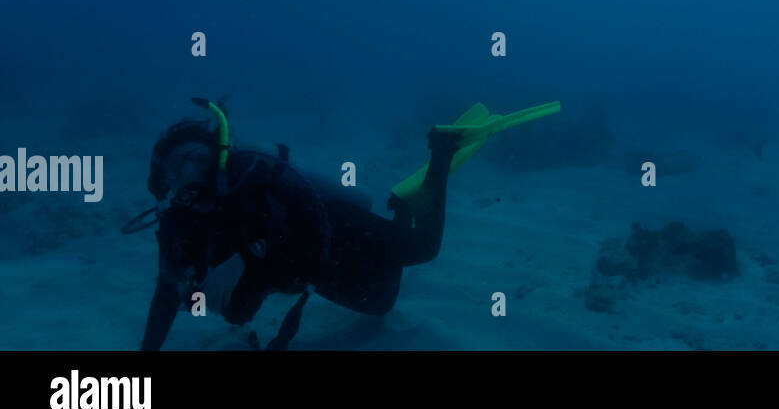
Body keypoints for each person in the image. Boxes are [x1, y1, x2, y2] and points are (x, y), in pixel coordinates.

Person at [125, 97, 560, 350]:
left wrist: (244, 258)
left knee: (422, 250)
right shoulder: (176, 226)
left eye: (198, 157)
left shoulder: (251, 172)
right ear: (160, 178)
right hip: (309, 270)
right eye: (177, 165)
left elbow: (306, 214)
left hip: (338, 226)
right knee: (380, 305)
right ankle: (403, 200)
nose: (190, 171)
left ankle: (441, 154)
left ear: (216, 154)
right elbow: (166, 294)